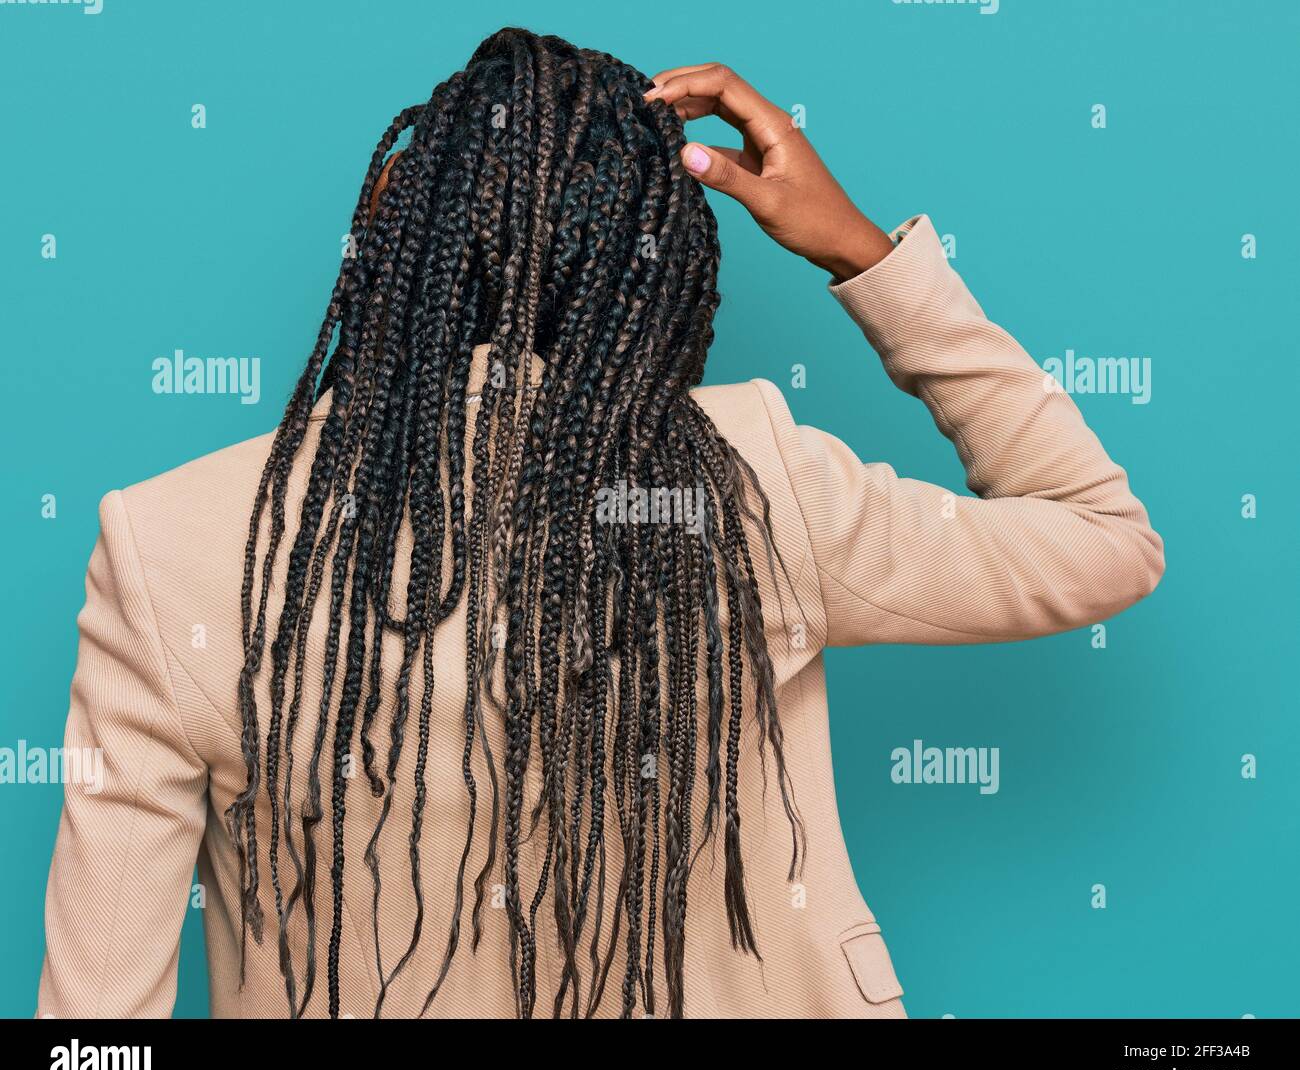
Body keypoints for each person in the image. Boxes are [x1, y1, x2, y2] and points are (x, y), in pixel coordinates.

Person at [37, 28, 1163, 1020]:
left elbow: (95, 1022)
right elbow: (1102, 534)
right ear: (662, 261)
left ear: (391, 233)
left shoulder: (168, 543)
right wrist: (859, 252)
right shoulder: (751, 484)